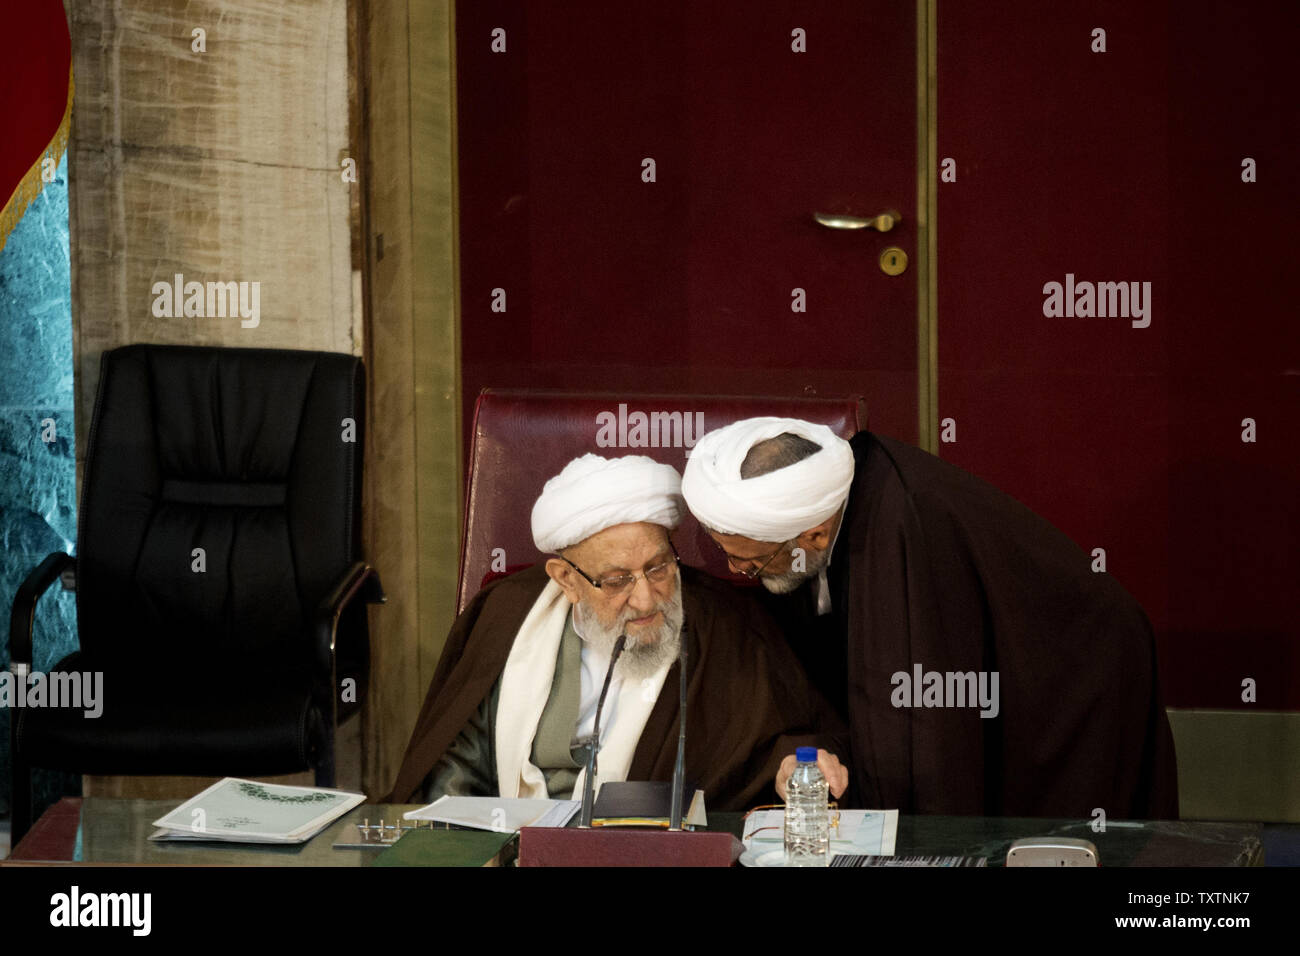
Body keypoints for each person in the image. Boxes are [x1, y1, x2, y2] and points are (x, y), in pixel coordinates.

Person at [681, 417, 1180, 819]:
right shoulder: (832, 507)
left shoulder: (898, 540)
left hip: (1079, 675)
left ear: (813, 535)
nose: (736, 570)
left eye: (752, 560)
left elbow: (924, 741)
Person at [384, 453, 848, 810]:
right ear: (566, 579)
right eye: (616, 580)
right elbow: (457, 766)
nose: (646, 599)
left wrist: (795, 764)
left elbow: (786, 737)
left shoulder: (726, 625)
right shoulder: (508, 614)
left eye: (659, 567)